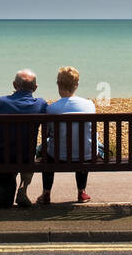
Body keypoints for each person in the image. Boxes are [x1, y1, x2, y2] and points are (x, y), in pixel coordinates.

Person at [0, 69, 46, 208]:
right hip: (25, 158)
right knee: (30, 152)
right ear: (35, 88)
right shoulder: (41, 105)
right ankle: (23, 191)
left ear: (15, 85)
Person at [36, 66, 96, 205]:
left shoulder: (52, 109)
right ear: (76, 85)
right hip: (84, 156)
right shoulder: (89, 106)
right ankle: (81, 191)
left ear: (58, 84)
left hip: (57, 156)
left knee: (44, 150)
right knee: (84, 145)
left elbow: (48, 133)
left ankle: (46, 192)